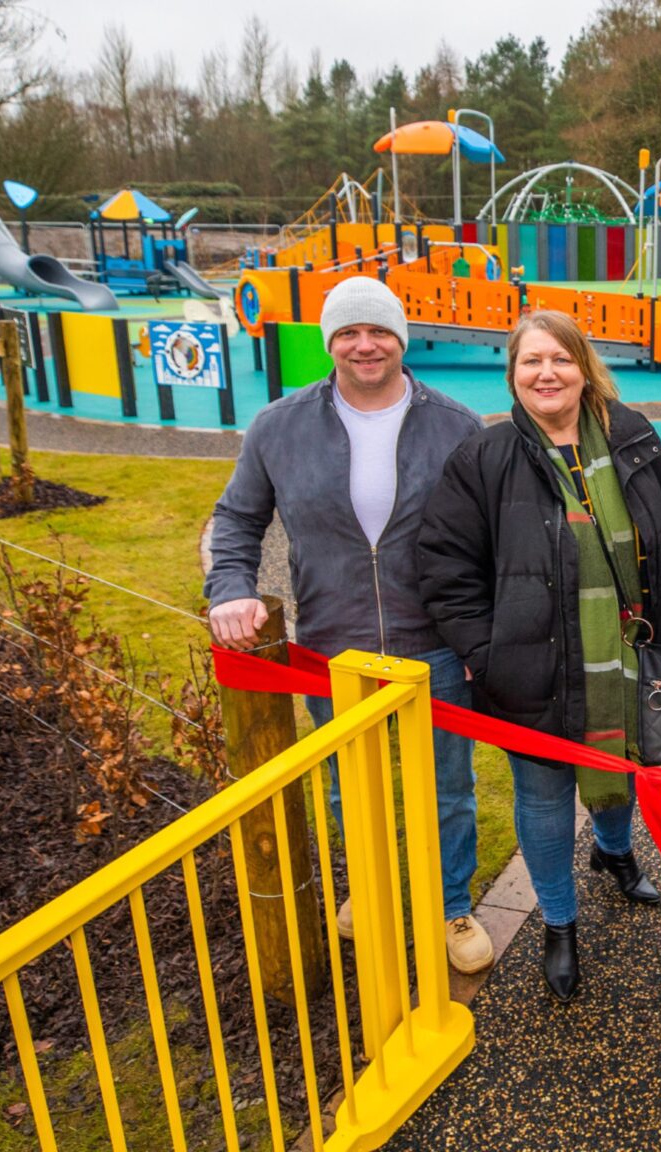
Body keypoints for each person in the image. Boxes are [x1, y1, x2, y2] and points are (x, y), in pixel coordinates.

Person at [205, 276, 495, 975]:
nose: (365, 345)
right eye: (348, 333)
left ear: (401, 337)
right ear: (330, 341)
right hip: (334, 645)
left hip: (435, 644)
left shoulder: (455, 424)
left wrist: (485, 635)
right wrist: (230, 587)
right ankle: (366, 891)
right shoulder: (279, 425)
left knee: (448, 788)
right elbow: (237, 519)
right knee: (345, 785)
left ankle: (451, 903)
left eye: (379, 331)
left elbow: (488, 538)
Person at [417, 310, 661, 1002]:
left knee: (622, 766)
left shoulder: (630, 436)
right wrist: (485, 651)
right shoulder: (484, 459)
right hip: (531, 664)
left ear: (584, 367)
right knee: (543, 798)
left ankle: (612, 852)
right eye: (530, 362)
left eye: (561, 359)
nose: (546, 373)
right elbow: (444, 566)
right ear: (512, 374)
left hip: (625, 658)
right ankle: (559, 924)